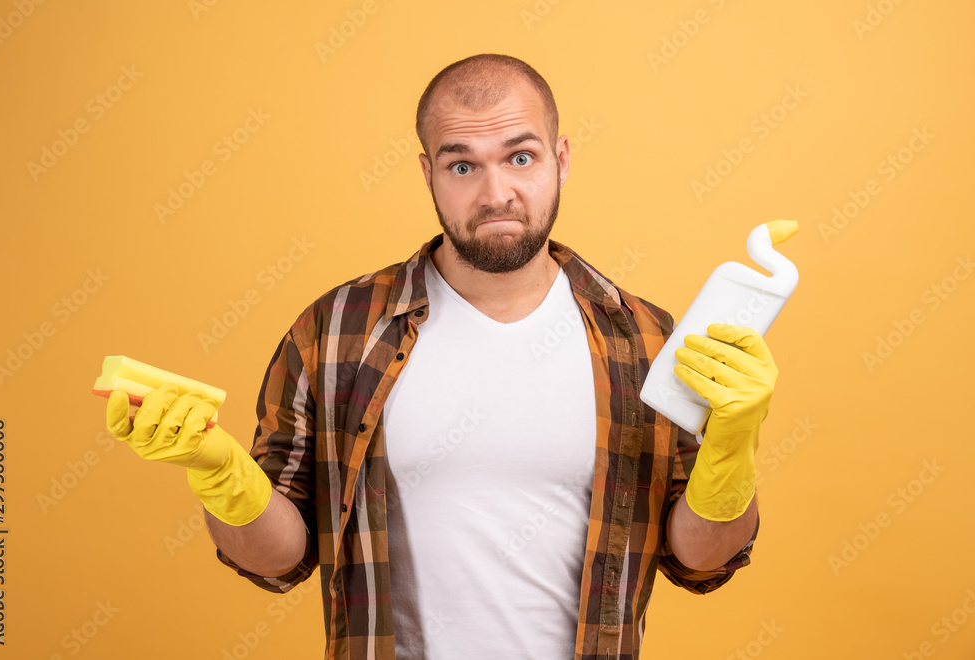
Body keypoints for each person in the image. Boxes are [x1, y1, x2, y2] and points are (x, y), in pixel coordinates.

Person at [105, 53, 779, 659]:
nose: (495, 195)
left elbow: (701, 563)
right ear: (428, 172)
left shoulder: (649, 340)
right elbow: (280, 562)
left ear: (561, 158)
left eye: (521, 157)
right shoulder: (337, 328)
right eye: (463, 165)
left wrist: (732, 449)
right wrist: (219, 471)